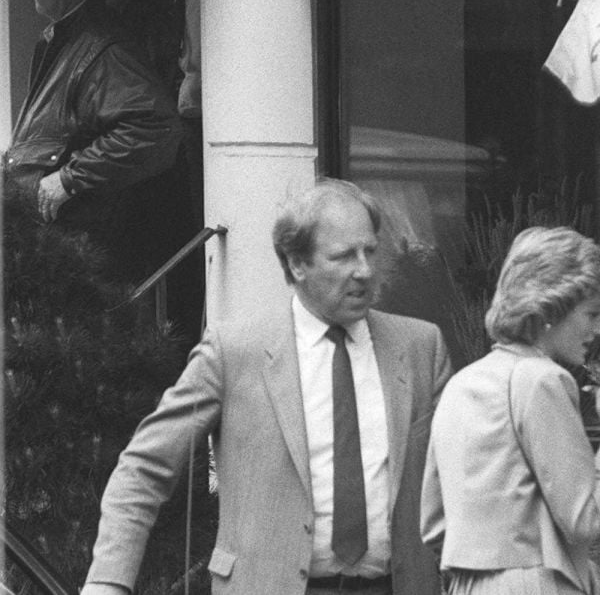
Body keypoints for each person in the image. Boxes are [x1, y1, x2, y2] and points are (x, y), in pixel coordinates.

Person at [82, 179, 452, 595]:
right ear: (297, 264)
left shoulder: (421, 347)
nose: (364, 270)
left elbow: (455, 484)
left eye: (370, 250)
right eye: (344, 256)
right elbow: (144, 468)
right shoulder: (234, 352)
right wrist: (107, 583)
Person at [421, 226, 600, 594]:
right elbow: (582, 519)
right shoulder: (541, 379)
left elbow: (433, 524)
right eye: (593, 313)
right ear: (548, 310)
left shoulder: (462, 382)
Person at [4, 0, 182, 281]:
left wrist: (69, 179)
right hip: (59, 254)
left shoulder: (102, 47)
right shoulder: (64, 41)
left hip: (80, 261)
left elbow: (154, 126)